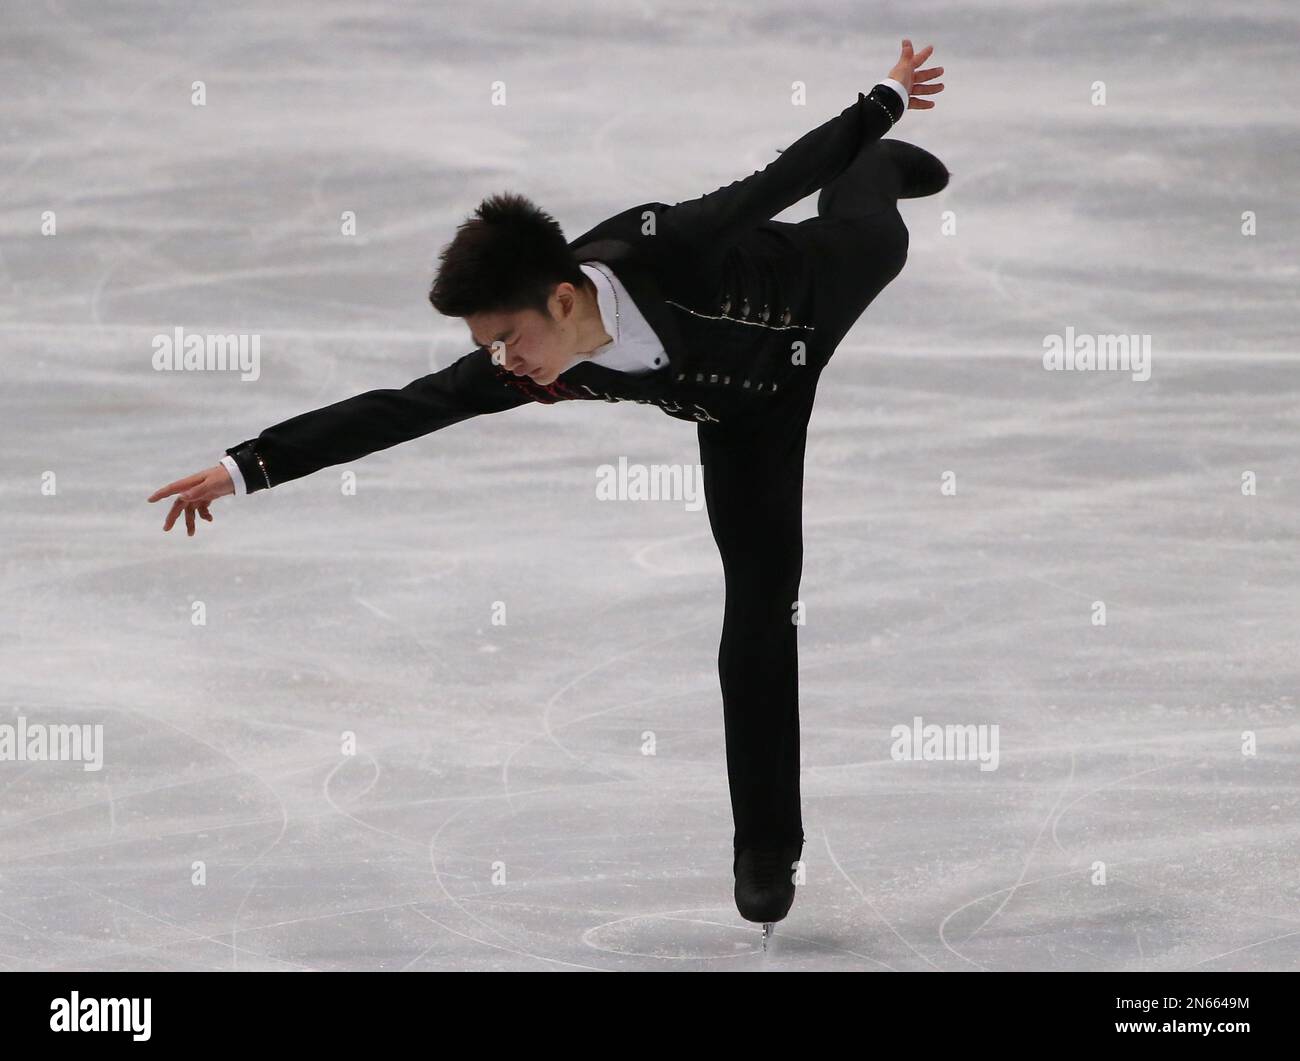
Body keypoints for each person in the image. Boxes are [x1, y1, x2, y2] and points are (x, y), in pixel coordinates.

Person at [149, 40, 947, 937]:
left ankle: (876, 175)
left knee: (879, 233)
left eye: (508, 337)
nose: (502, 361)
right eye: (490, 347)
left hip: (809, 293)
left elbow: (773, 182)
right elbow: (406, 408)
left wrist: (878, 108)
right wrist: (246, 464)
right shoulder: (533, 366)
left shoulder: (667, 245)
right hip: (747, 419)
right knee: (757, 616)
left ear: (564, 298)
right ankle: (766, 847)